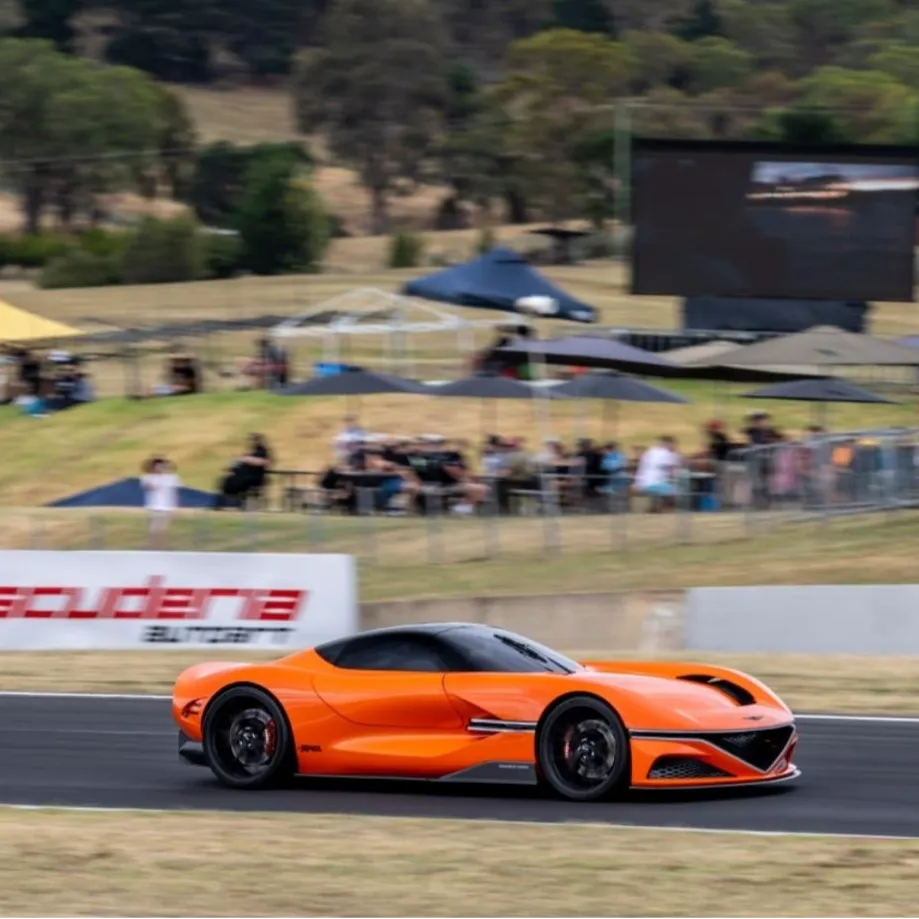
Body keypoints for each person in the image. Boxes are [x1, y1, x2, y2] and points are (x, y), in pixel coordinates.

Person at [214, 434, 273, 509]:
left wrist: (246, 459)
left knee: (236, 482)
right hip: (244, 476)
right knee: (225, 481)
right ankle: (222, 504)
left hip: (253, 478)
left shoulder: (263, 451)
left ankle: (238, 503)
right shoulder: (252, 452)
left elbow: (264, 462)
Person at [634, 435, 681, 511]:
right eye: (673, 444)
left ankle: (655, 508)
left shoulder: (650, 452)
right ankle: (665, 509)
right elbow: (674, 470)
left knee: (666, 488)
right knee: (676, 490)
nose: (674, 446)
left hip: (641, 484)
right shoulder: (665, 453)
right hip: (652, 484)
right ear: (668, 444)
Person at [141, 457, 180, 548]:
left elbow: (176, 490)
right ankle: (152, 545)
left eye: (162, 466)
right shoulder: (148, 477)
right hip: (154, 506)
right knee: (153, 528)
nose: (160, 468)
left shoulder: (172, 477)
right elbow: (148, 488)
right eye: (158, 466)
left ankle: (163, 545)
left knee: (164, 528)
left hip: (168, 506)